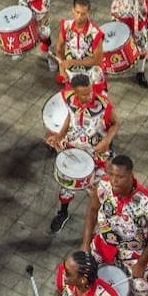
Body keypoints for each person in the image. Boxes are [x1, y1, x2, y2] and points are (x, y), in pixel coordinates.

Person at [81, 155, 148, 296]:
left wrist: (142, 264)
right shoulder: (103, 187)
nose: (113, 180)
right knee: (91, 283)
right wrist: (86, 243)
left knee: (139, 292)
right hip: (102, 247)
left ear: (131, 176)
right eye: (111, 174)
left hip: (134, 256)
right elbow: (92, 210)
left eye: (120, 176)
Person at [47, 74, 119, 233]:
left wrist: (107, 141)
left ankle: (104, 222)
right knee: (67, 186)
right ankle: (63, 213)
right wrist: (59, 136)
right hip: (73, 149)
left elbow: (115, 123)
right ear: (75, 93)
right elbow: (69, 118)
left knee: (98, 191)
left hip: (95, 154)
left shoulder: (103, 104)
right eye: (85, 94)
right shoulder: (70, 99)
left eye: (90, 91)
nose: (90, 95)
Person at [53, 0, 107, 92]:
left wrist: (73, 62)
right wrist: (61, 67)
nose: (79, 16)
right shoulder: (66, 26)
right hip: (71, 68)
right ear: (72, 10)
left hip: (91, 70)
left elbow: (97, 60)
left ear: (88, 13)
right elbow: (59, 49)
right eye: (77, 12)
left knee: (94, 99)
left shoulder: (95, 33)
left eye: (83, 14)